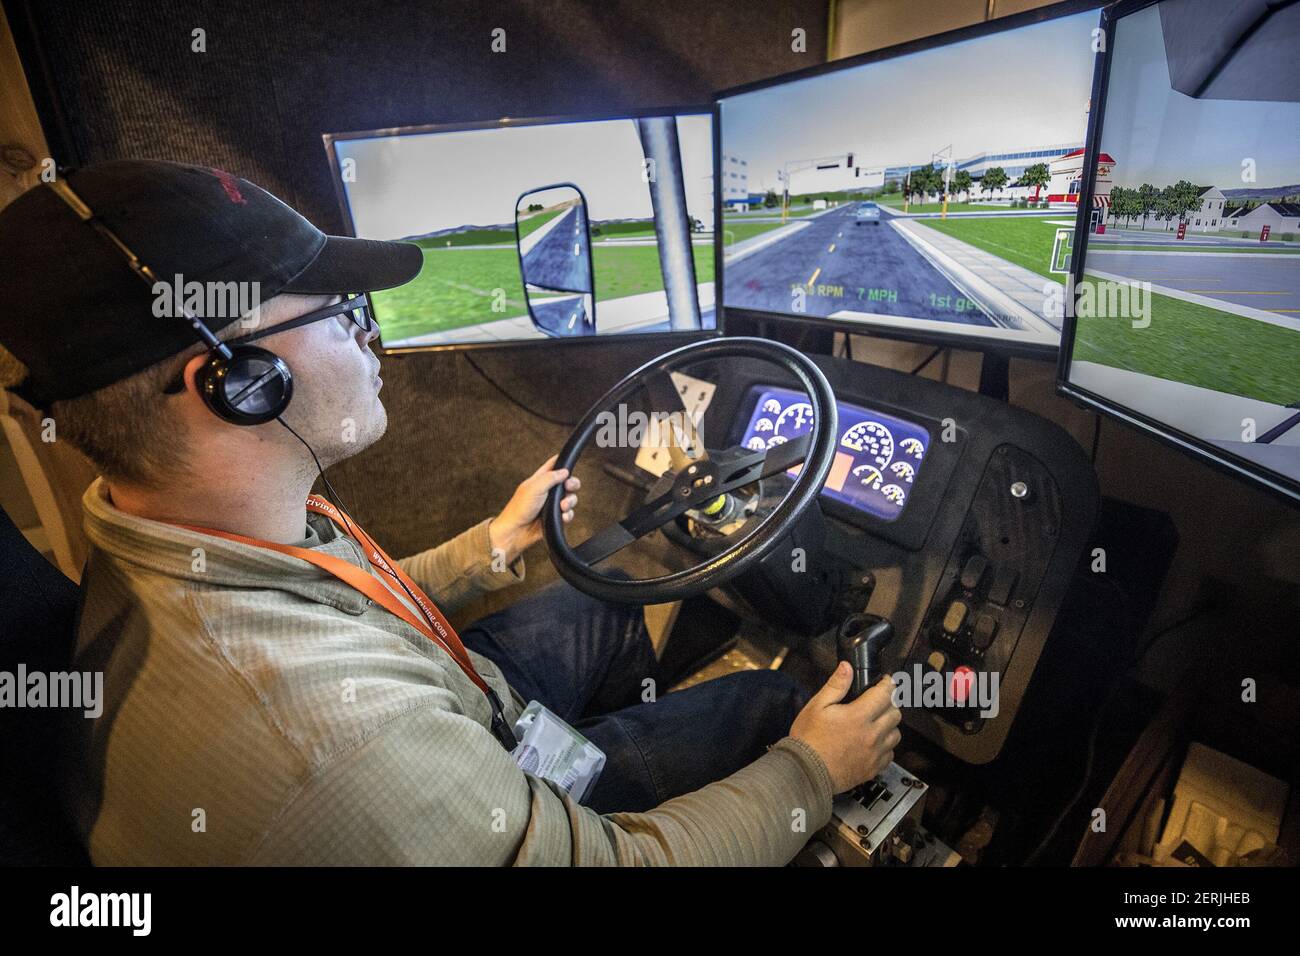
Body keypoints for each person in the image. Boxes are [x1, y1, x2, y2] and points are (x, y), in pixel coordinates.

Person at [0, 160, 901, 865]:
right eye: (339, 310)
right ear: (240, 385)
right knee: (780, 705)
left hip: (462, 724)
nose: (368, 332)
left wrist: (490, 546)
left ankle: (604, 749)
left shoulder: (155, 524)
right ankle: (642, 773)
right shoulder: (346, 754)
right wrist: (813, 769)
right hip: (451, 786)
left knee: (607, 593)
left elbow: (345, 608)